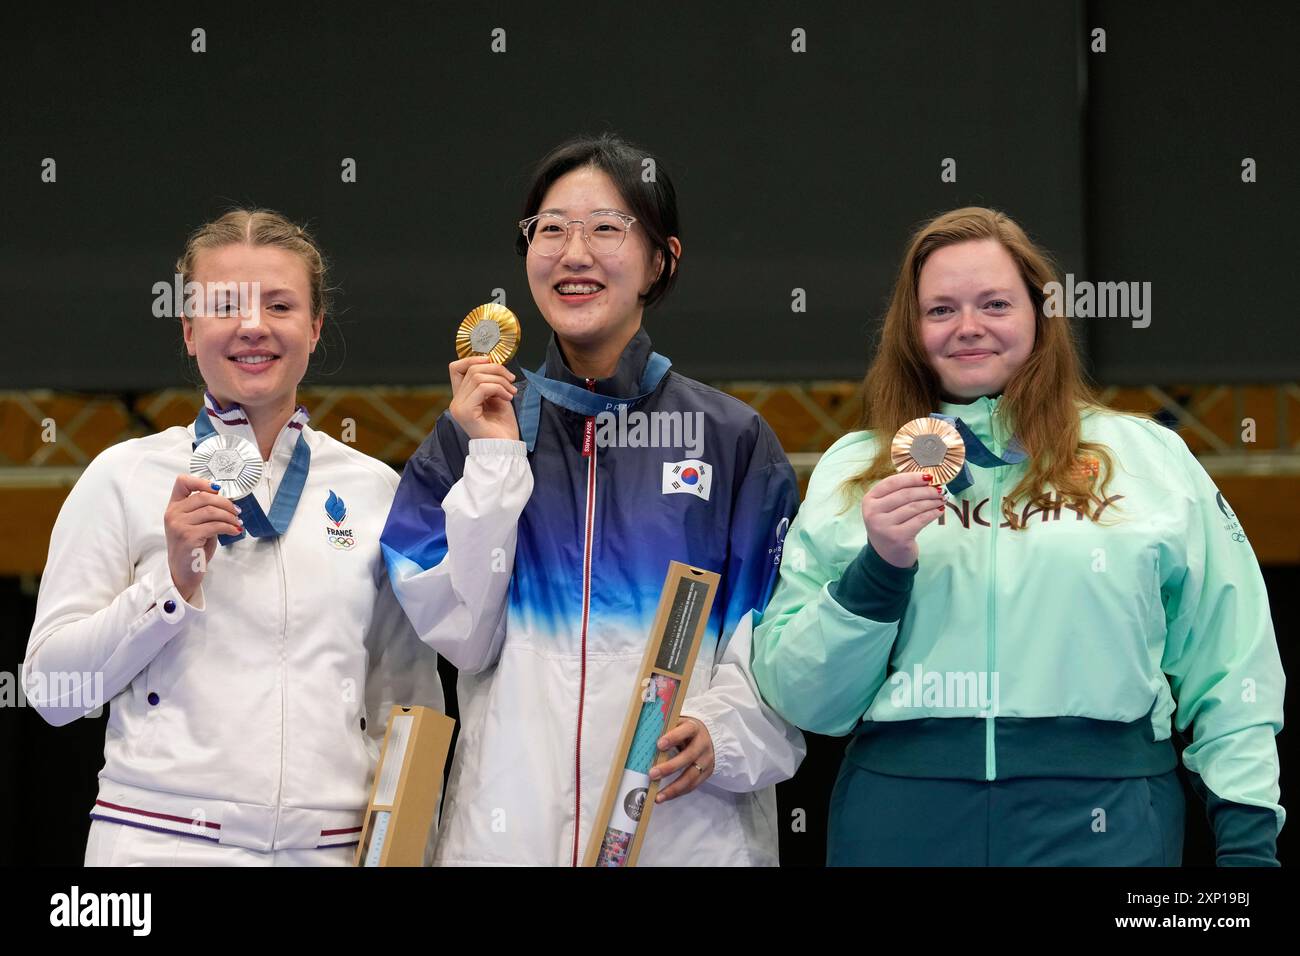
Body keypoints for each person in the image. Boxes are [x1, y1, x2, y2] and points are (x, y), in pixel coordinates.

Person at [752, 207, 1285, 866]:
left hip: (1105, 819)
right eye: (940, 309)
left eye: (995, 303)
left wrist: (1249, 837)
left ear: (1040, 314)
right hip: (903, 818)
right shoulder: (857, 467)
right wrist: (879, 572)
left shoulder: (1150, 458)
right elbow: (801, 696)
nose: (969, 326)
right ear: (911, 330)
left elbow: (1232, 660)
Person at [380, 133, 805, 865]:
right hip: (509, 834)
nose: (574, 253)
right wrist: (493, 455)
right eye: (551, 229)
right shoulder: (472, 430)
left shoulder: (732, 439)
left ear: (659, 260)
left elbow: (779, 645)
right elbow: (462, 637)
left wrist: (724, 732)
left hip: (685, 831)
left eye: (607, 228)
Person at [24, 208, 443, 866]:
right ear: (189, 330)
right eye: (226, 305)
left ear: (314, 326)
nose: (253, 325)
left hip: (328, 851)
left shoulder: (372, 490)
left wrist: (413, 851)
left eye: (279, 304)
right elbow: (51, 694)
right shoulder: (124, 477)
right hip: (160, 848)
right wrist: (171, 584)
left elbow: (407, 702)